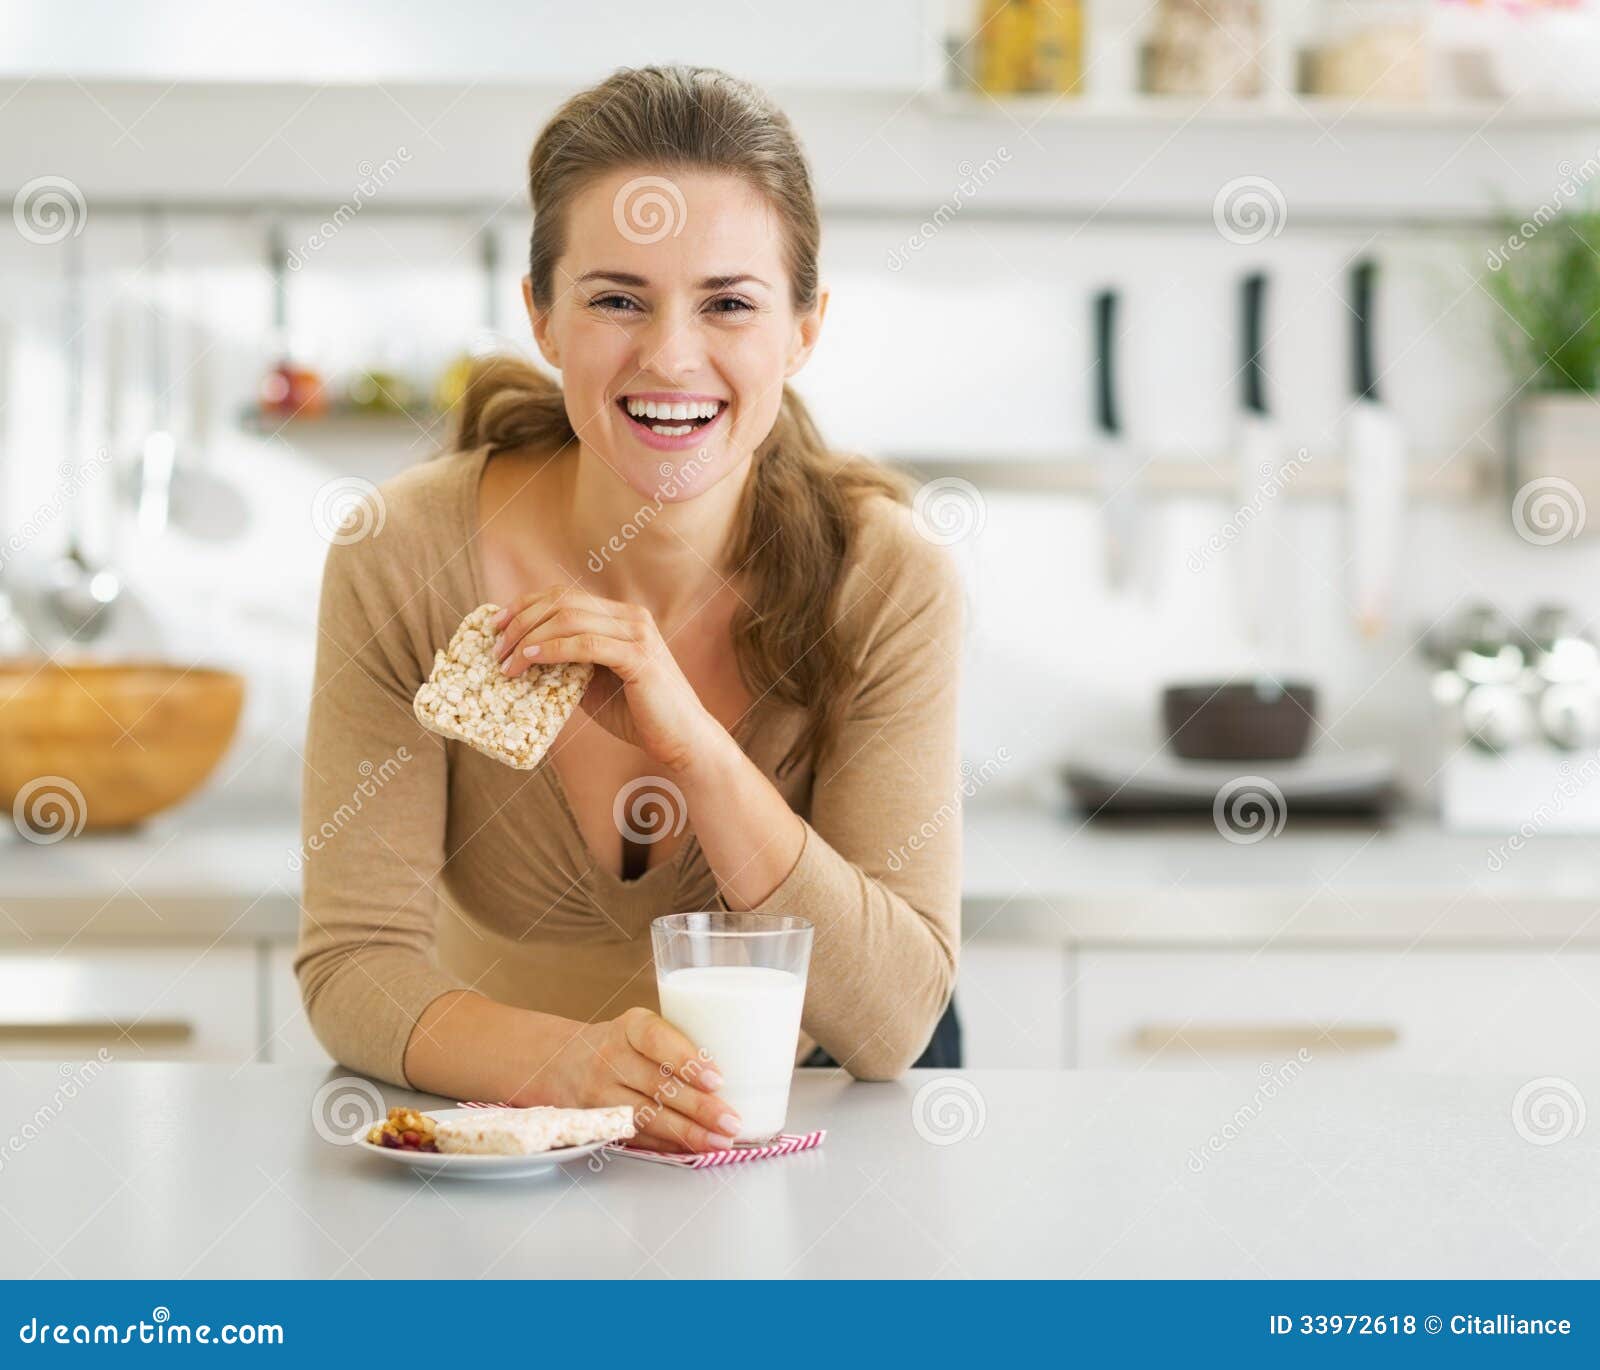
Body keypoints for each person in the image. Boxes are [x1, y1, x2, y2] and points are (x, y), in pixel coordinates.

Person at [296, 65, 963, 1154]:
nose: (669, 356)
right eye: (616, 298)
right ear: (542, 317)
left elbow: (891, 1023)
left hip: (817, 1144)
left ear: (802, 329)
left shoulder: (885, 578)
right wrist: (571, 1068)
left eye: (729, 303)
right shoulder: (404, 554)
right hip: (512, 1158)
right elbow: (351, 967)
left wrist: (699, 752)